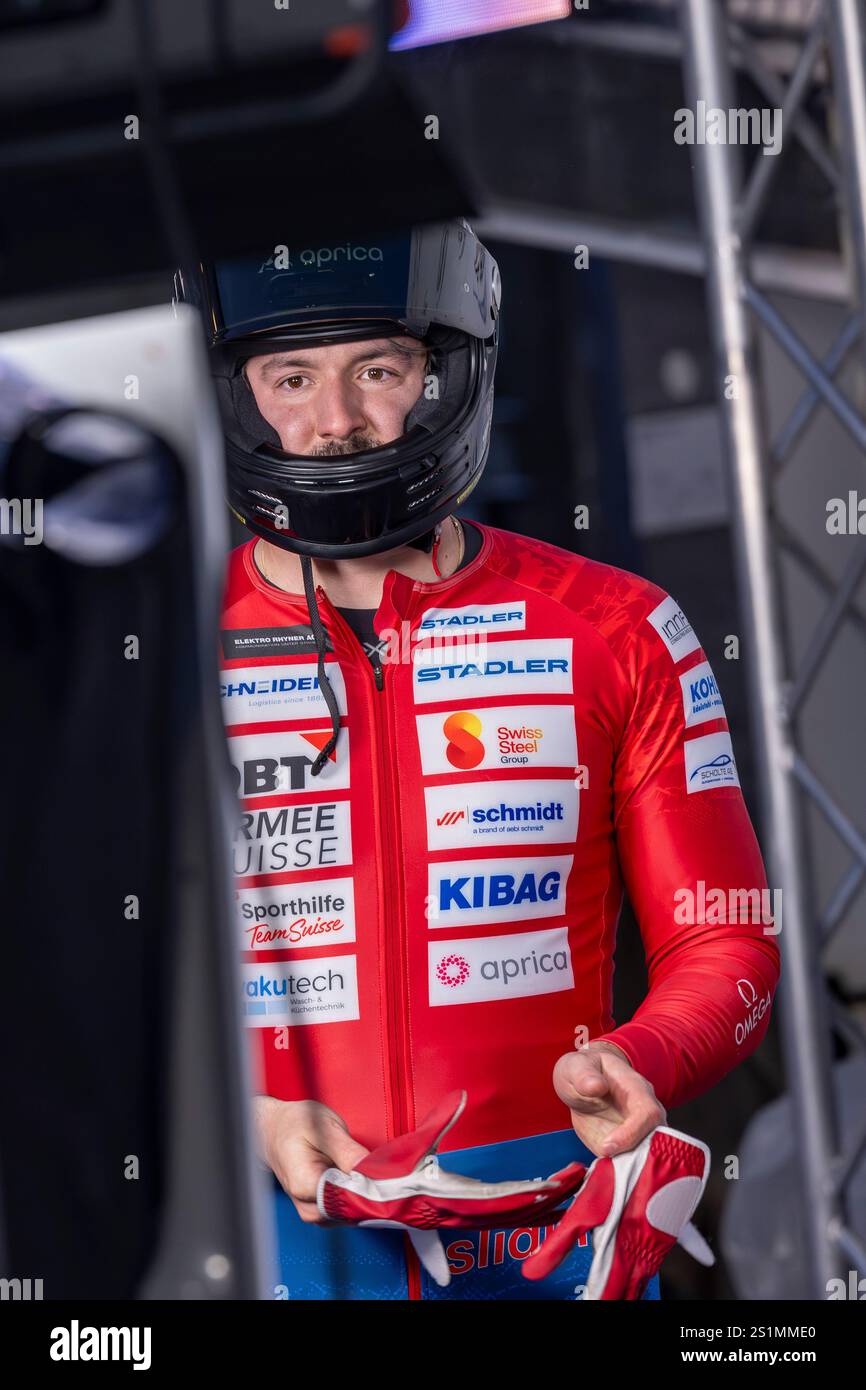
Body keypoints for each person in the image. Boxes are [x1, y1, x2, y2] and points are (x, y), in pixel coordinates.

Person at [176, 219, 781, 1300]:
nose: (335, 422)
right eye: (288, 377)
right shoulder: (156, 656)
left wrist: (639, 1056)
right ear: (235, 391)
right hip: (268, 1243)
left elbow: (727, 943)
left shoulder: (618, 626)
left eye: (377, 368)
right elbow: (64, 982)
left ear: (448, 370)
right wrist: (245, 1110)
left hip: (551, 1243)